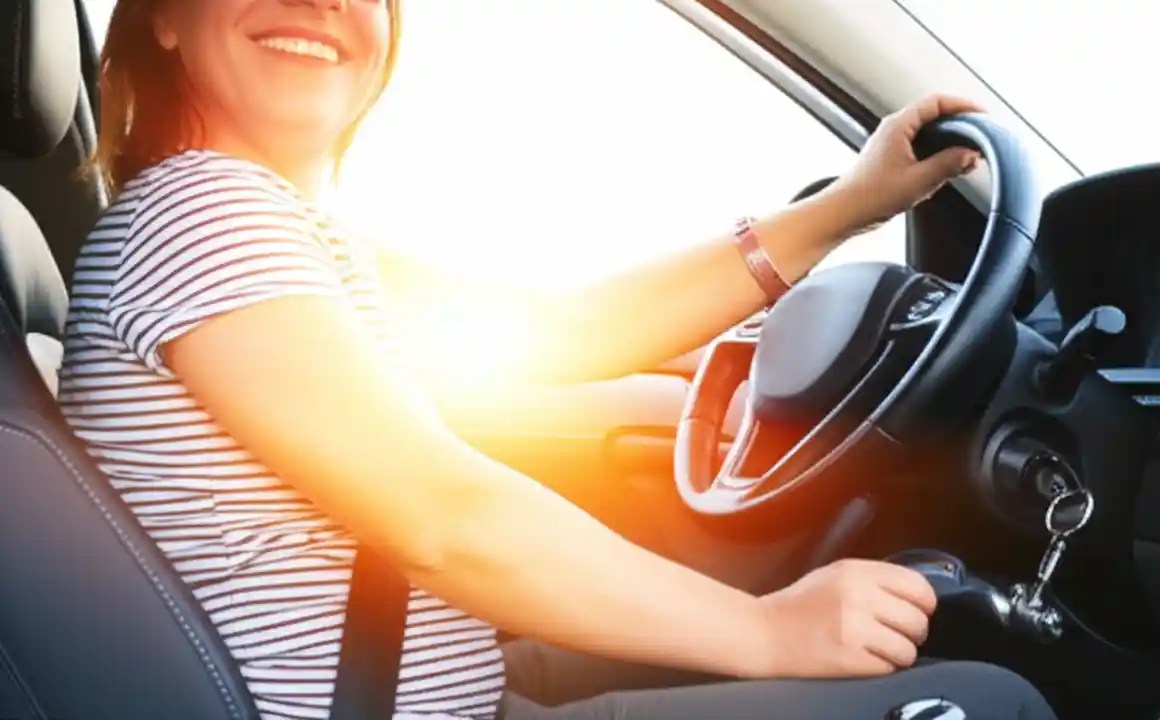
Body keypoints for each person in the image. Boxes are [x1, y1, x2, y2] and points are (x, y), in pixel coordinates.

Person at [61, 1, 1055, 719]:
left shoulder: (275, 229)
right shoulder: (205, 214)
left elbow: (554, 331)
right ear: (162, 18)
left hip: (422, 685)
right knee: (990, 703)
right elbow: (442, 517)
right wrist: (765, 631)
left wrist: (842, 208)